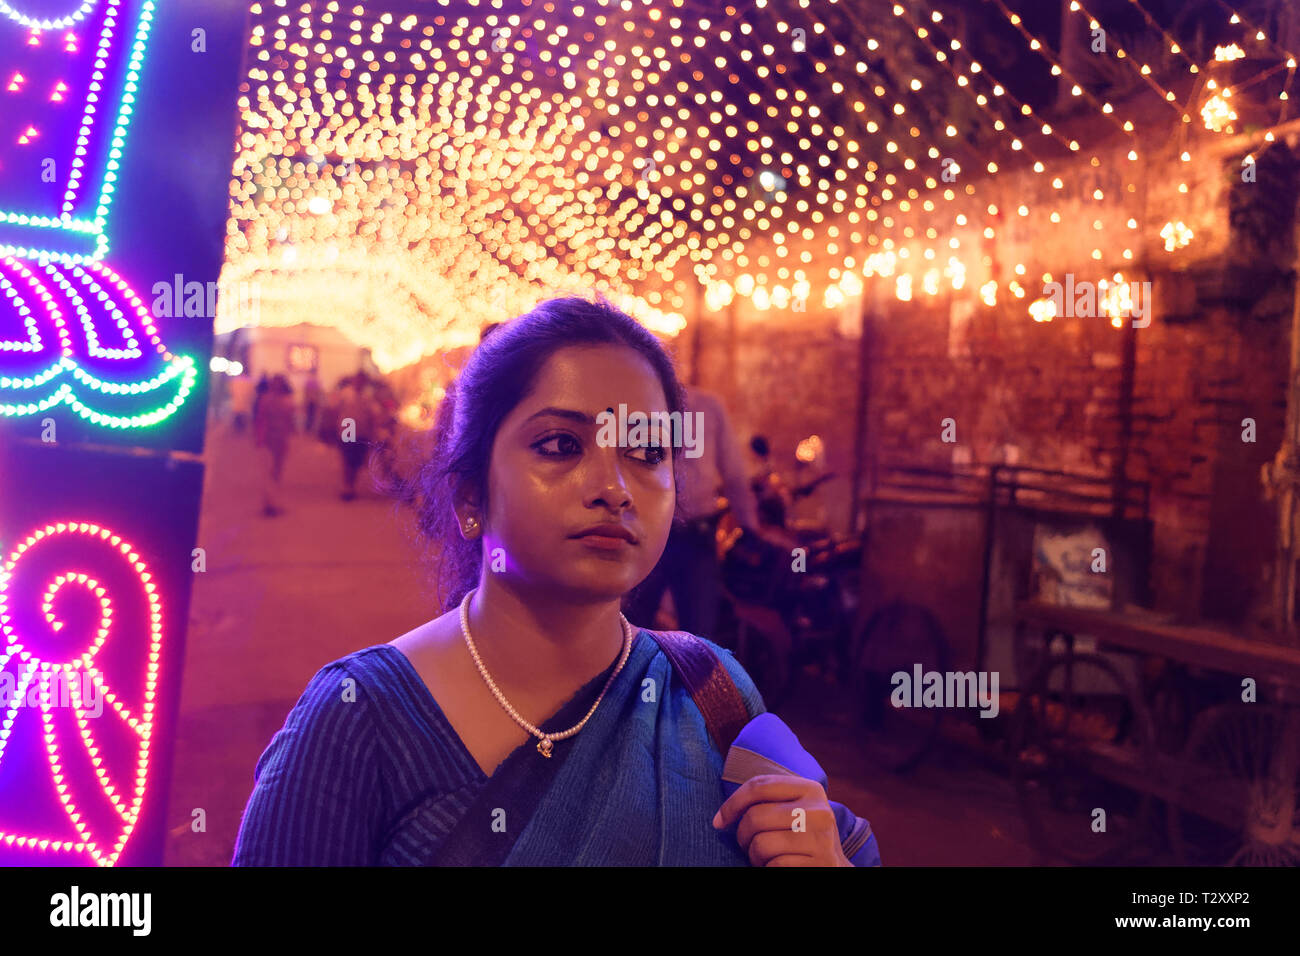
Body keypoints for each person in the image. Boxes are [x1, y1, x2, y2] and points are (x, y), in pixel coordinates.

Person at [231, 295, 876, 866]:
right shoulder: (356, 724)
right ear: (468, 497)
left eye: (648, 453)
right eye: (562, 445)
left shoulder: (710, 693)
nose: (615, 489)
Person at [624, 385, 759, 638]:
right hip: (684, 532)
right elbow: (734, 474)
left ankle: (633, 675)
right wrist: (749, 527)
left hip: (662, 530)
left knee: (634, 629)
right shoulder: (705, 405)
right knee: (696, 633)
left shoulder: (639, 403)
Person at [331, 373, 380, 501]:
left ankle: (351, 484)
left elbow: (373, 415)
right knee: (347, 457)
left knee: (356, 460)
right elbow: (334, 409)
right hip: (348, 428)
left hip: (362, 431)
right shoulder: (345, 394)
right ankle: (347, 486)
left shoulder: (367, 397)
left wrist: (373, 431)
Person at [254, 374, 296, 517]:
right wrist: (259, 438)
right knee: (268, 472)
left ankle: (272, 502)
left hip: (280, 439)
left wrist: (287, 439)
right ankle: (269, 503)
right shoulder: (266, 399)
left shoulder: (287, 401)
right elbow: (260, 419)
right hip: (268, 438)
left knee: (276, 472)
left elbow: (289, 422)